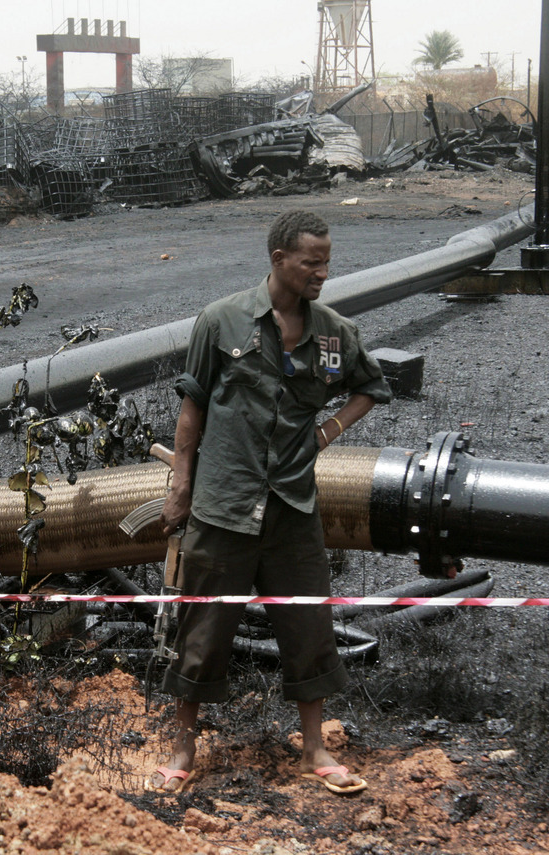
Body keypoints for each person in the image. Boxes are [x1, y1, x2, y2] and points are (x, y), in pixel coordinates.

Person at [147, 210, 393, 795]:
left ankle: (314, 750)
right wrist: (181, 486)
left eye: (327, 261)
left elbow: (372, 386)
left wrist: (327, 431)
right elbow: (193, 407)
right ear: (279, 258)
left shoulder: (333, 332)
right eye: (312, 261)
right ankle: (182, 751)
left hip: (292, 509)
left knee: (308, 625)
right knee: (202, 626)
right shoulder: (221, 321)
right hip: (224, 504)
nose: (323, 272)